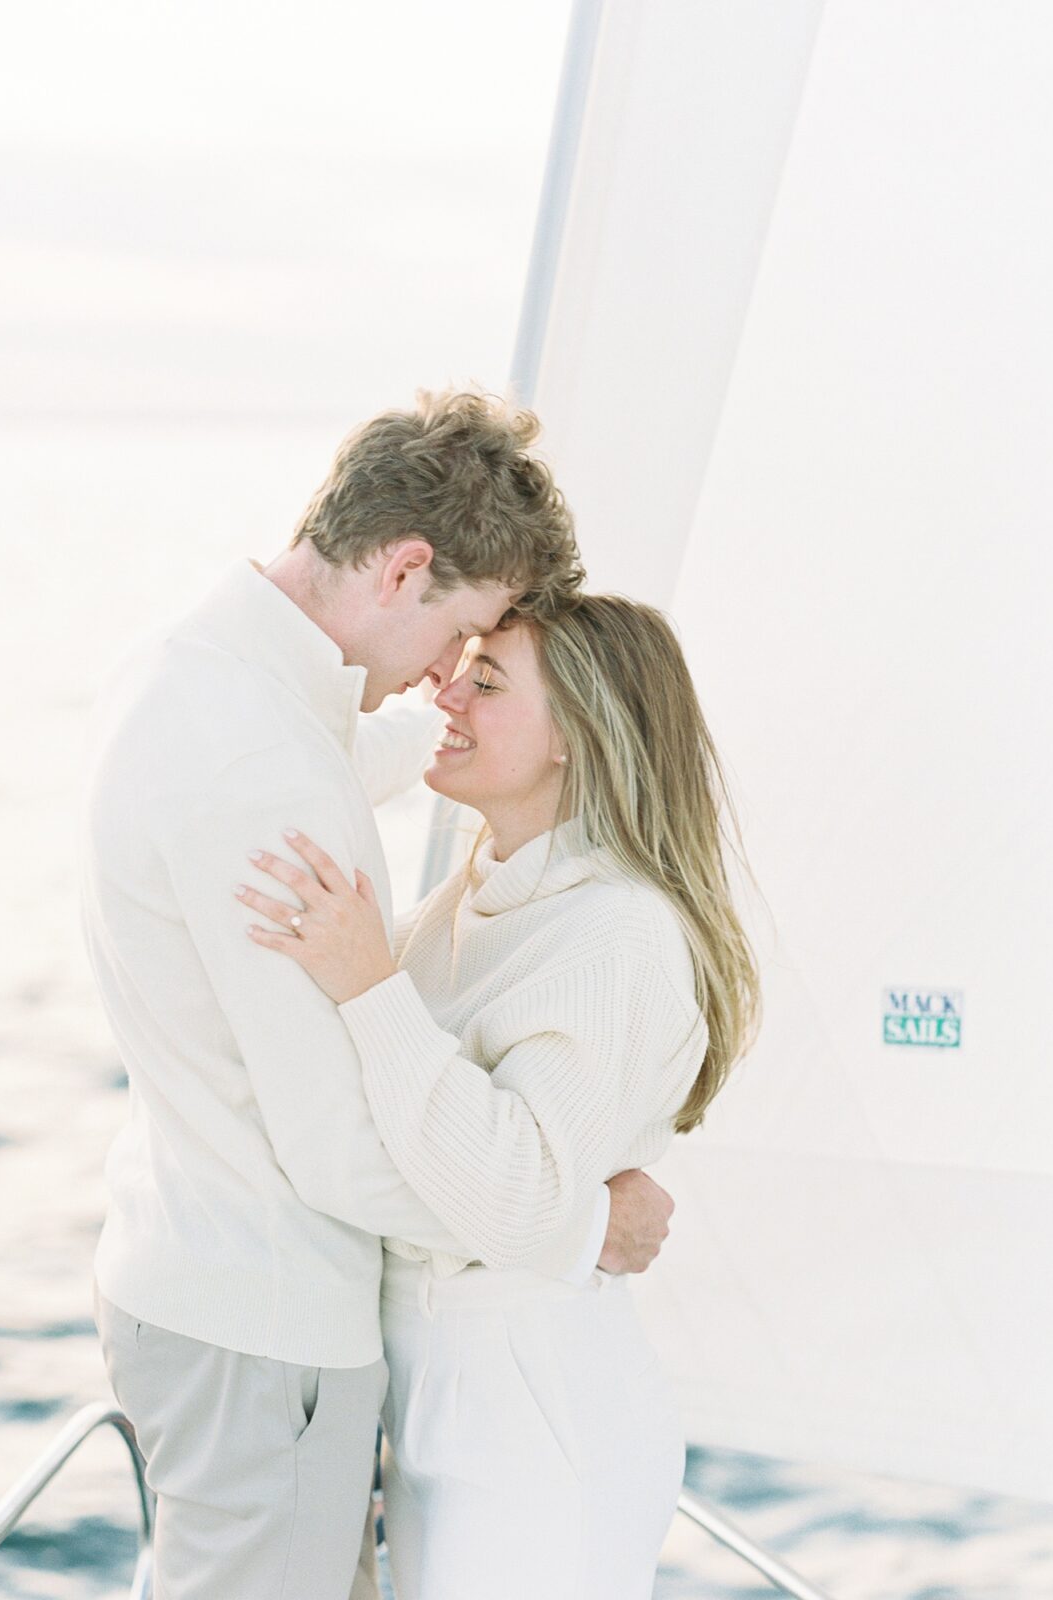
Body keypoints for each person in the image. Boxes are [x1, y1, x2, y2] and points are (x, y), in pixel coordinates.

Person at [80, 391, 679, 1600]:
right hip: (264, 1322)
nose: (441, 681)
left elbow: (325, 760)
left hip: (191, 1274)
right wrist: (571, 1228)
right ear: (406, 569)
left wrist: (468, 750)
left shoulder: (204, 672)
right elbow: (339, 1151)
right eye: (459, 637)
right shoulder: (263, 769)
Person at [236, 591, 761, 1600]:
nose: (449, 694)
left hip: (534, 1415)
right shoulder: (462, 903)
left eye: (487, 680)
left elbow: (518, 1189)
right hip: (436, 1394)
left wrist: (367, 983)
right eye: (456, 667)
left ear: (576, 735)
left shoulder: (619, 932)